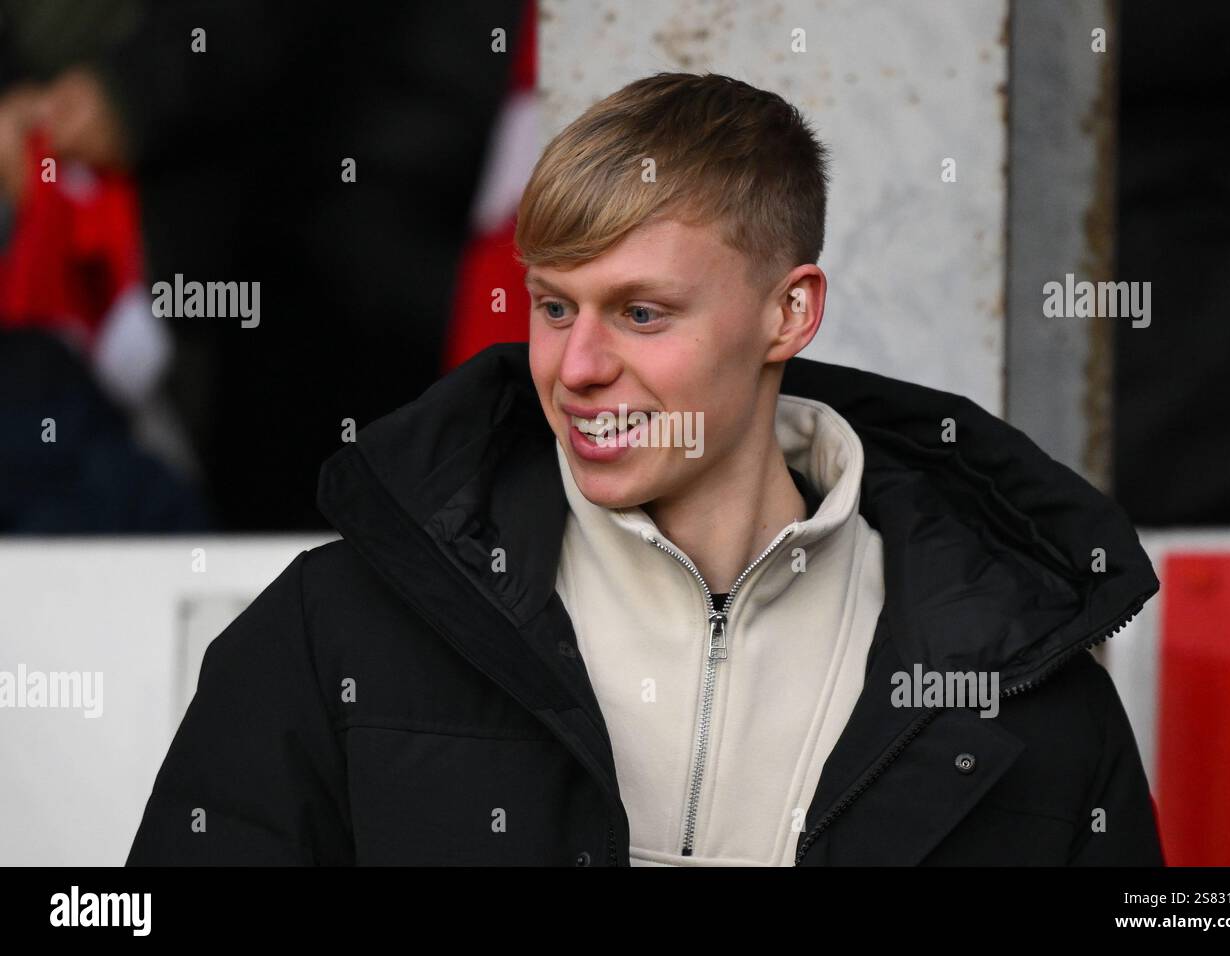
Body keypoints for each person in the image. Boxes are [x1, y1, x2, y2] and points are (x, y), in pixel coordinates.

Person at [126, 72, 1164, 866]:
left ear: (787, 311)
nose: (575, 367)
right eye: (553, 306)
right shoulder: (335, 623)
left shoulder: (1019, 675)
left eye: (640, 312)